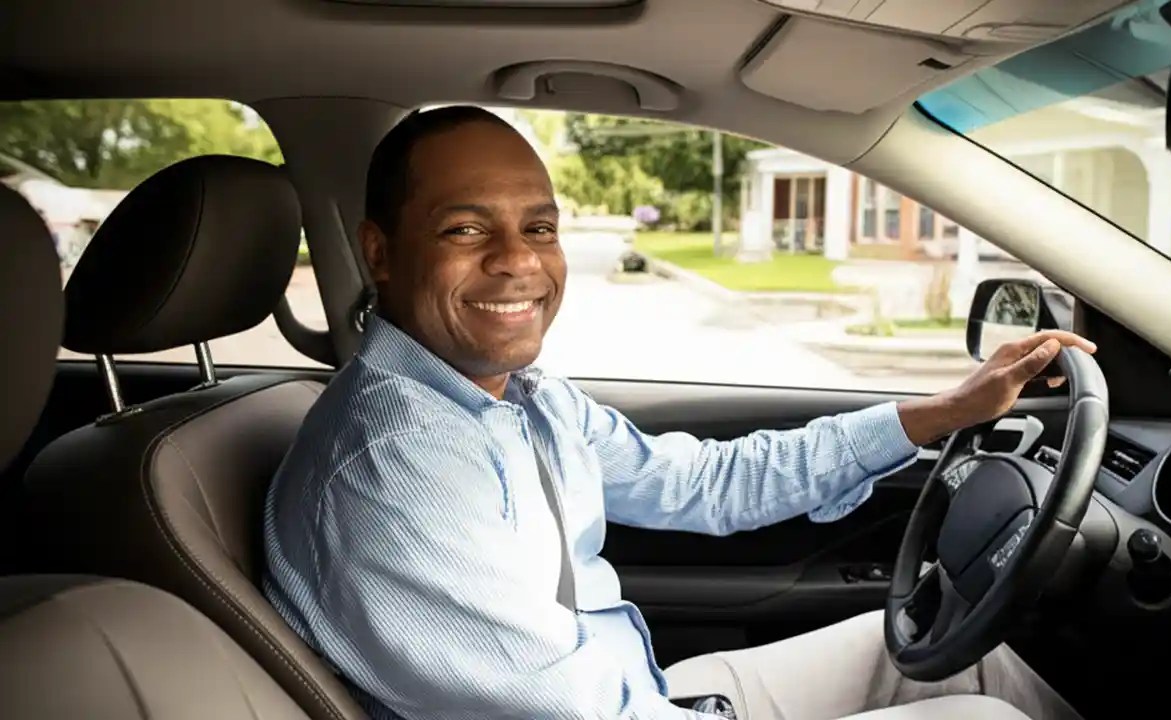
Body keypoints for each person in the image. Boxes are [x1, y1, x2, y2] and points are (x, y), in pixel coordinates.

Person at [263, 105, 1094, 720]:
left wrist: (938, 413)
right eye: (466, 229)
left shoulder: (516, 397)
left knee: (956, 660)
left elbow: (702, 483)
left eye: (539, 227)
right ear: (381, 251)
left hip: (639, 696)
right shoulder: (388, 468)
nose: (517, 260)